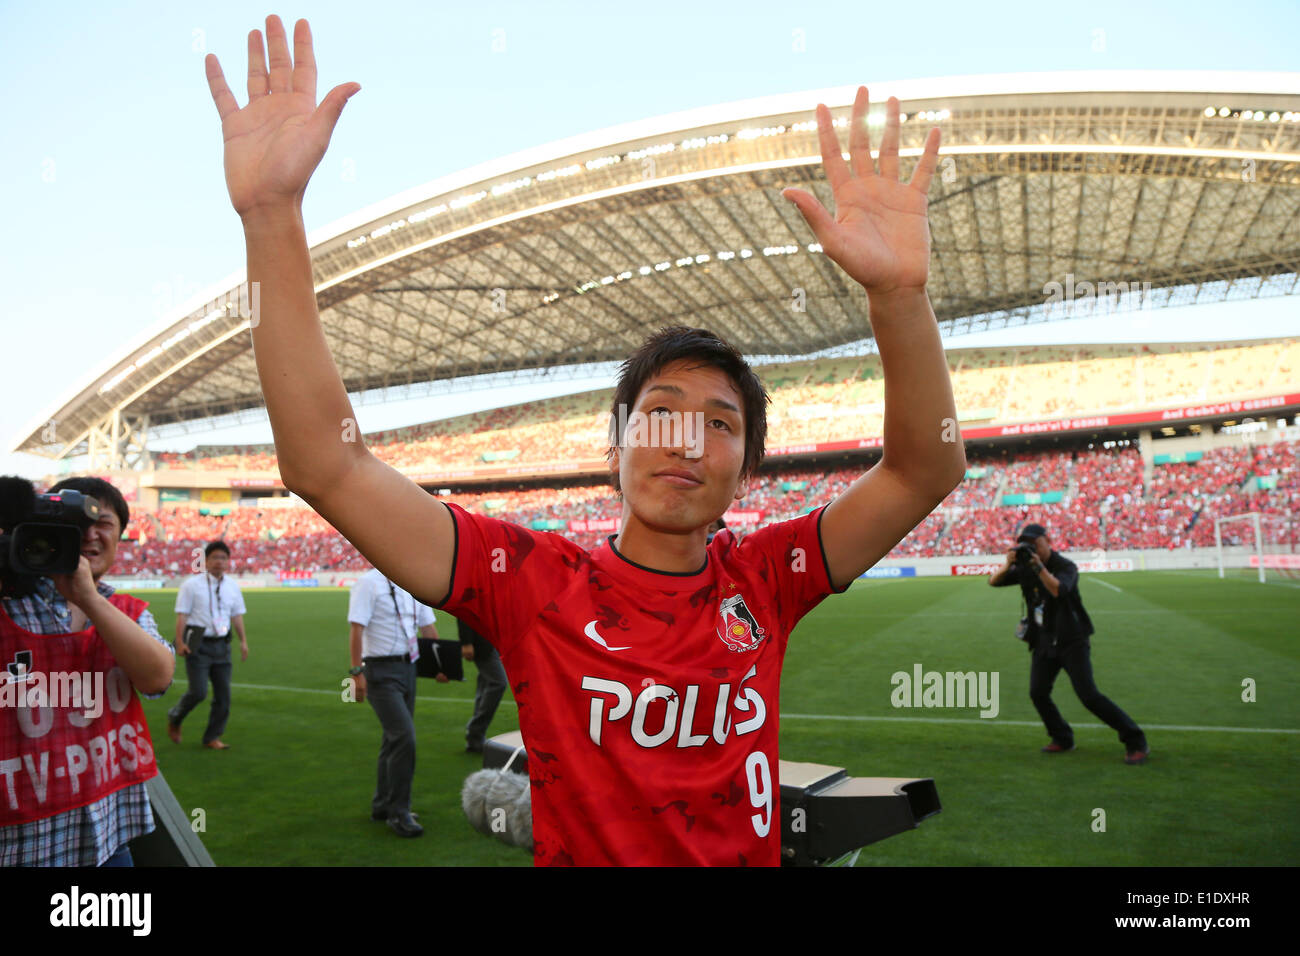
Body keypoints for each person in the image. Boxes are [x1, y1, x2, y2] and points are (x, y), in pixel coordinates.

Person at [205, 16, 965, 864]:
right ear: (618, 446)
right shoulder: (531, 583)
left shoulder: (770, 580)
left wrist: (899, 296)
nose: (687, 441)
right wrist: (272, 215)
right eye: (663, 413)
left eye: (720, 424)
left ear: (747, 472)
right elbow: (326, 465)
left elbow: (924, 468)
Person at [0, 476, 175, 866]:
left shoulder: (124, 610)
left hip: (108, 839)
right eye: (77, 524)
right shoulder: (9, 602)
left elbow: (157, 678)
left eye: (105, 524)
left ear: (120, 537)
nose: (90, 535)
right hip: (20, 845)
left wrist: (87, 599)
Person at [990, 522, 1150, 764]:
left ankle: (1135, 739)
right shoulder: (1024, 567)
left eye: (1036, 544)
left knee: (1089, 696)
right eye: (1027, 545)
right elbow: (994, 581)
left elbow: (1059, 590)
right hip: (1044, 640)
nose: (1031, 548)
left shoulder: (1066, 566)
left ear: (1048, 541)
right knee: (1038, 692)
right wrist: (1009, 563)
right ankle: (1062, 737)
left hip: (1071, 639)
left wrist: (1038, 566)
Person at [347, 568, 442, 837]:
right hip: (379, 671)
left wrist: (439, 664)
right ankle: (399, 812)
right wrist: (356, 673)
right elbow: (356, 628)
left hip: (408, 668)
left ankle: (382, 805)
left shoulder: (413, 581)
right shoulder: (368, 583)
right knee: (404, 737)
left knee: (393, 739)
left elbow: (427, 626)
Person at [167, 540, 248, 750]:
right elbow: (181, 615)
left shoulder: (232, 586)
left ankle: (212, 737)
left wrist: (244, 642)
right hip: (198, 642)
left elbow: (237, 615)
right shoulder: (191, 585)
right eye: (214, 557)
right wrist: (181, 642)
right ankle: (175, 716)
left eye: (223, 558)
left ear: (228, 561)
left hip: (222, 643)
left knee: (223, 695)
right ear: (205, 560)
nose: (219, 562)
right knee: (199, 692)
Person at [458, 616, 507, 754]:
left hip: (494, 639)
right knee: (498, 682)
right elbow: (465, 612)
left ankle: (475, 739)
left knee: (486, 683)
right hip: (483, 641)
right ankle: (475, 731)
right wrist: (466, 642)